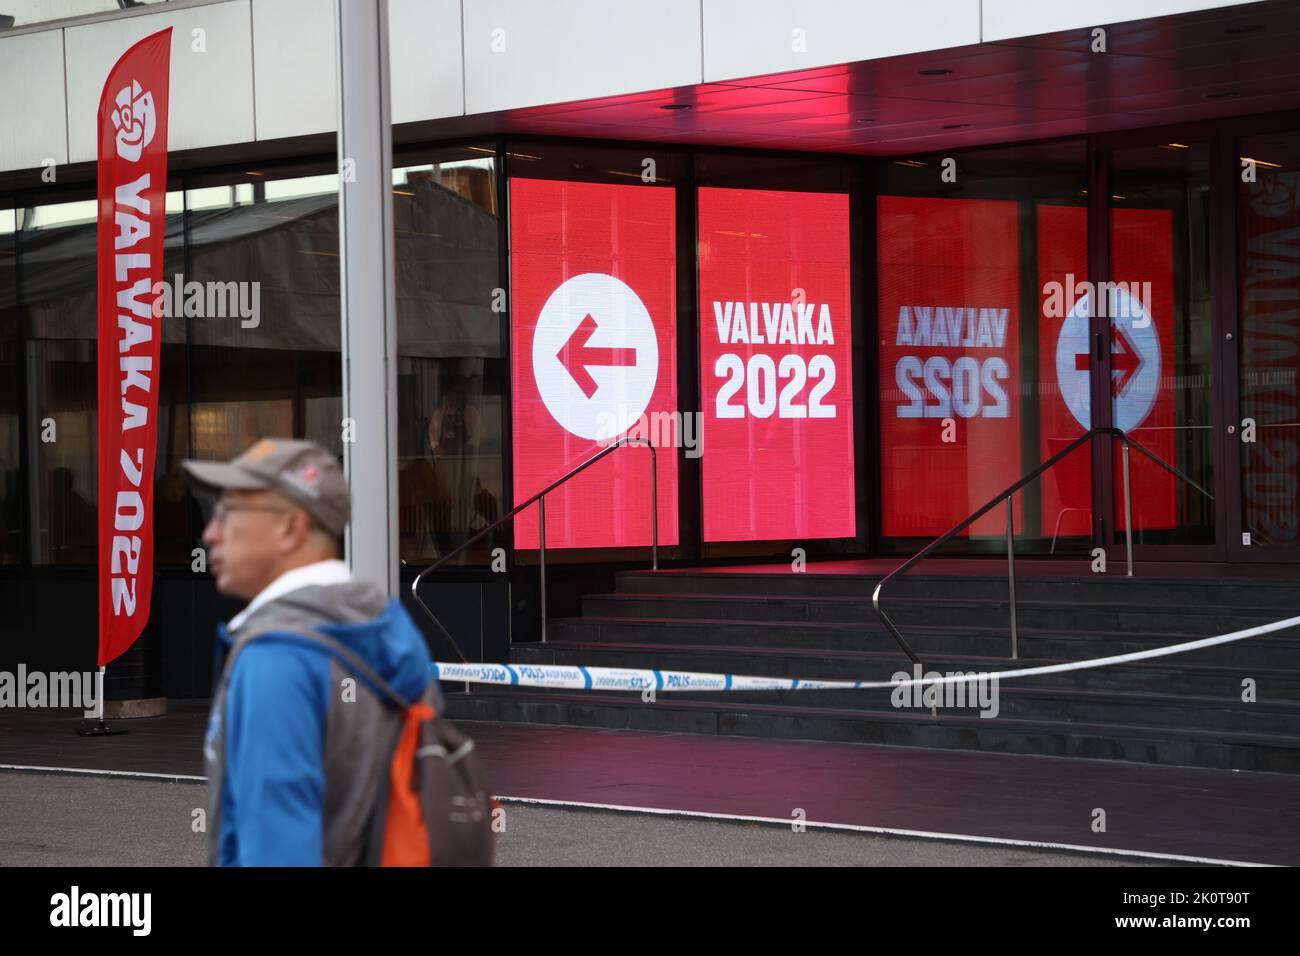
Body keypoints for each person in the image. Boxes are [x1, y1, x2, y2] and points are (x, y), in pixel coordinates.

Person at [182, 437, 441, 866]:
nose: (210, 533)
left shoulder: (274, 658)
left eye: (228, 514)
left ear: (291, 527)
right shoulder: (388, 627)